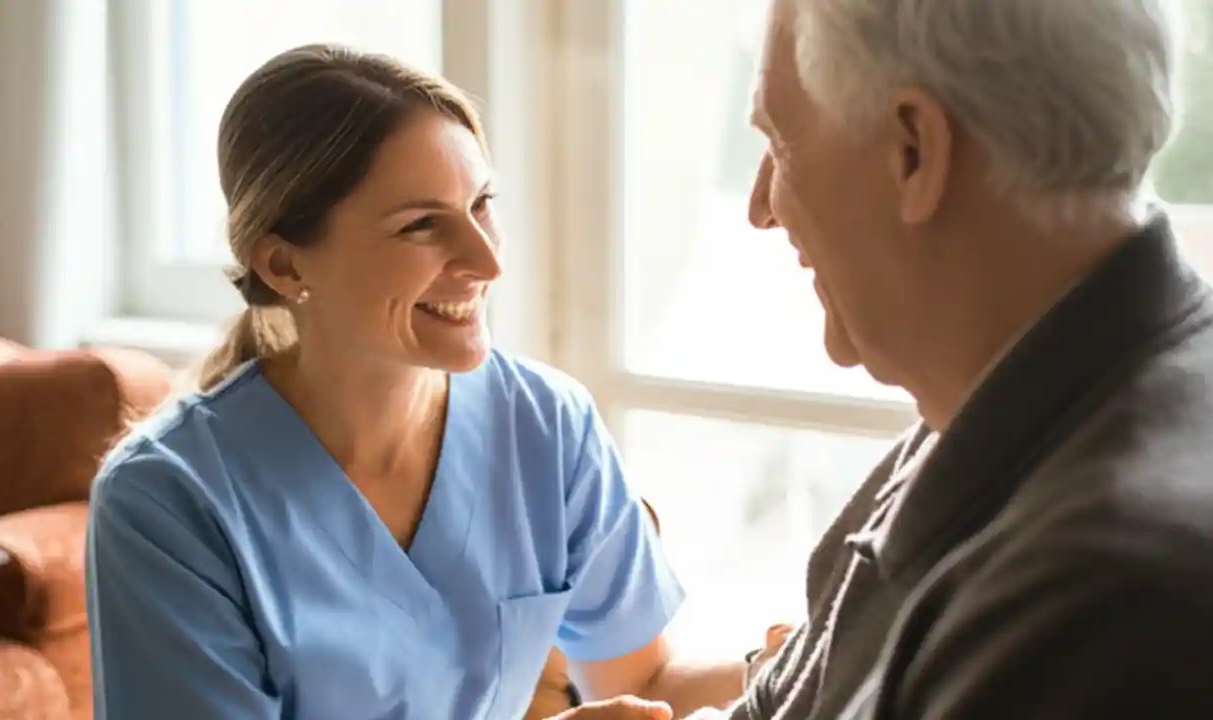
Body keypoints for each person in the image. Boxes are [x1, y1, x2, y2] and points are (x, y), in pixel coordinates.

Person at [85, 45, 742, 719]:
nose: (486, 261)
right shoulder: (164, 502)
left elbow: (647, 685)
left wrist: (790, 662)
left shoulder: (549, 427)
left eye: (482, 204)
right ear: (284, 265)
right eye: (421, 225)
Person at [620, 0, 1213, 717]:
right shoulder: (997, 397)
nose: (761, 206)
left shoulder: (1109, 603)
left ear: (914, 150)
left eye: (780, 145)